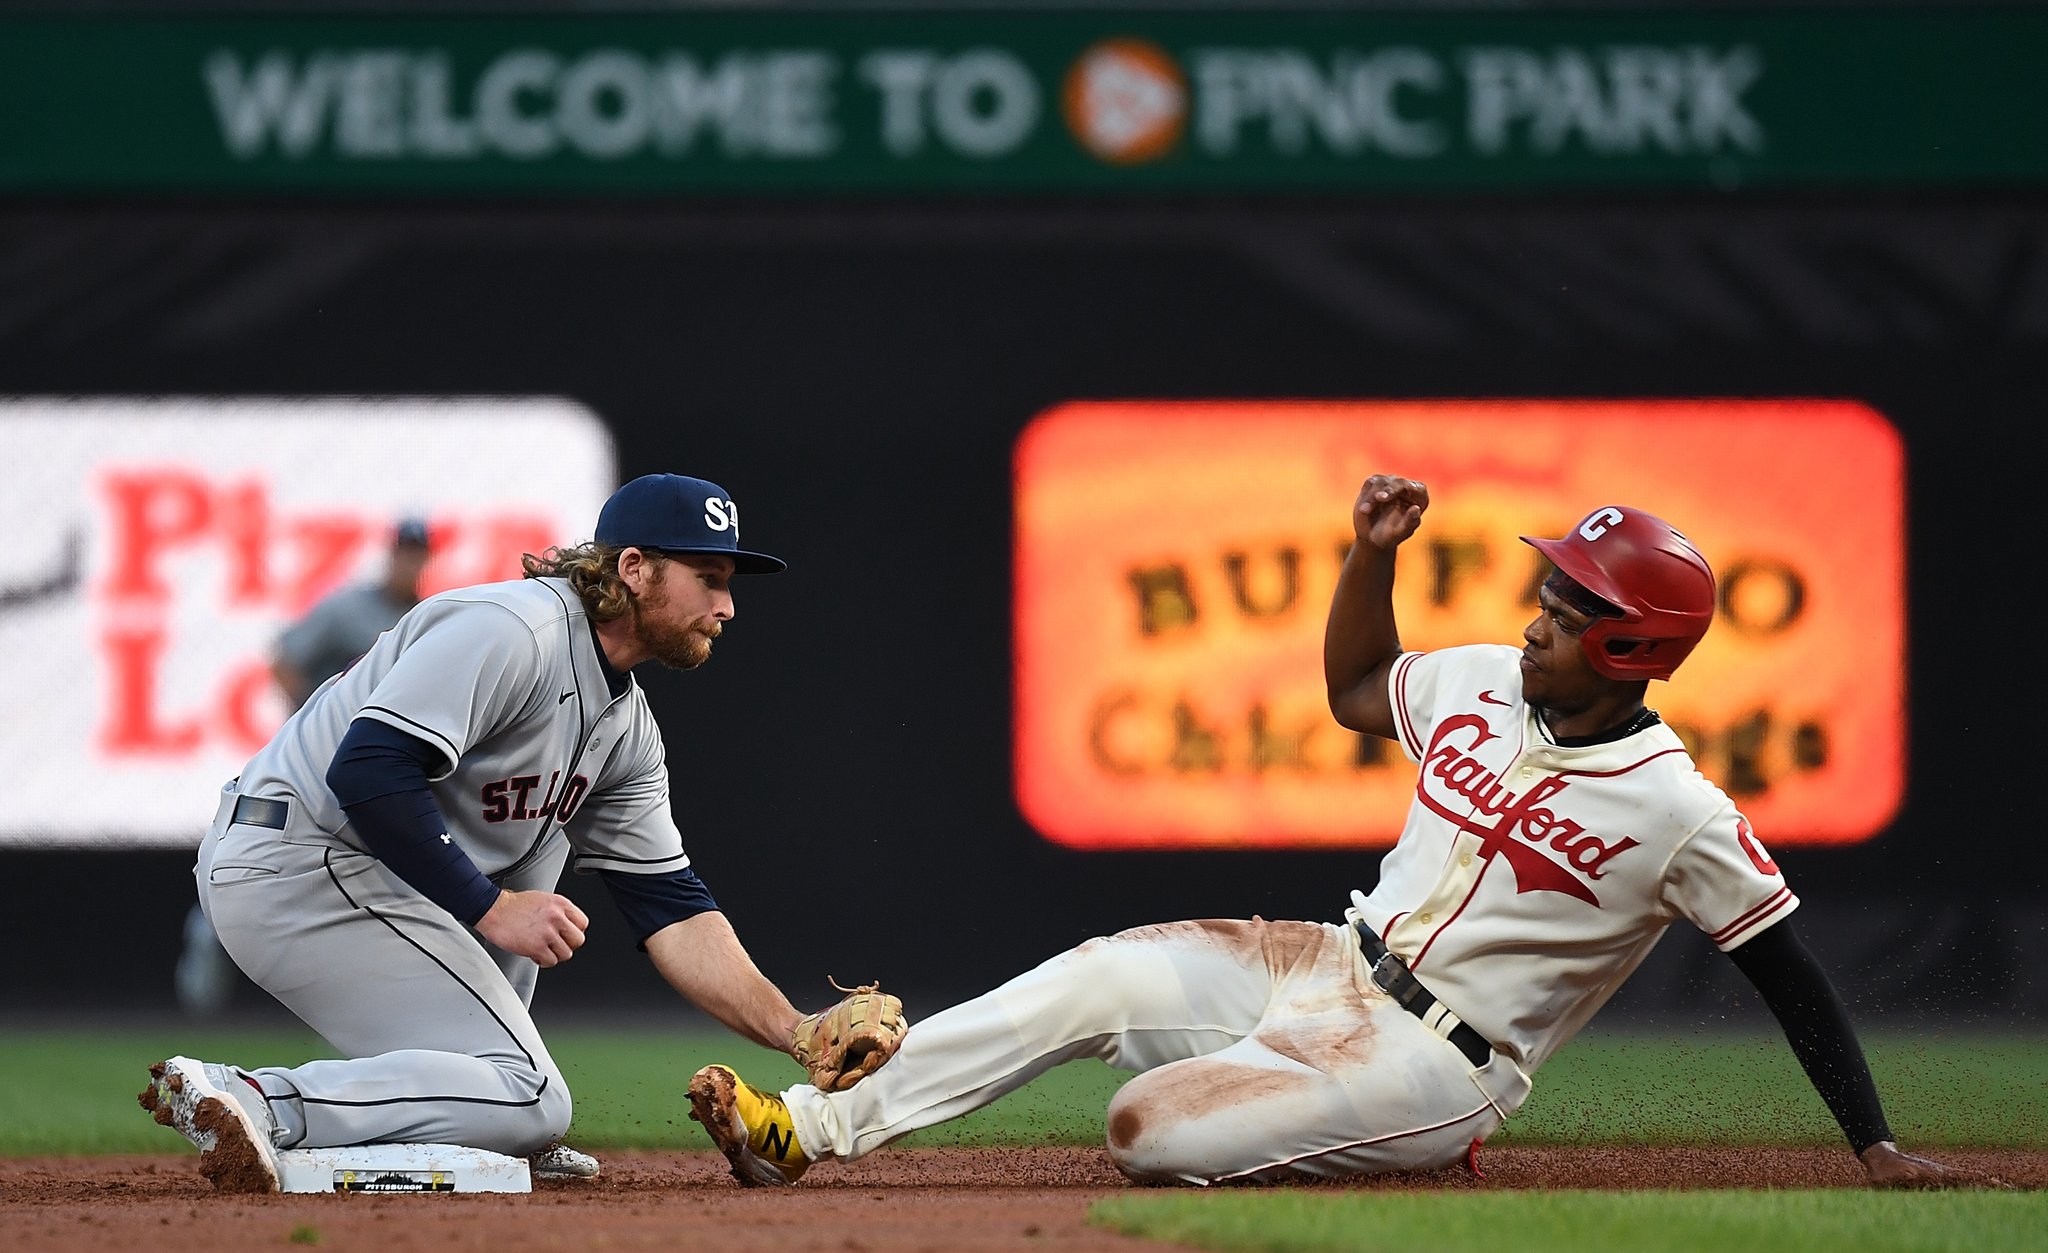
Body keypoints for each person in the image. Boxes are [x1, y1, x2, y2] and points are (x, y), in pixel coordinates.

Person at [687, 475, 1962, 1190]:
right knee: (1096, 974)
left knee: (1145, 1128)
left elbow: (1784, 968)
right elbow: (1357, 692)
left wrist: (1877, 1143)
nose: (1534, 619)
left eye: (1568, 609)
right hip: (1324, 961)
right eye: (1546, 594)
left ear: (1633, 647)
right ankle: (805, 1126)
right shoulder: (1477, 680)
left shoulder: (1676, 807)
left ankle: (1409, 1148)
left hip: (1436, 1062)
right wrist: (1367, 558)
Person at [142, 473, 821, 1193]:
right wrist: (491, 908)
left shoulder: (628, 729)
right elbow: (369, 769)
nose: (727, 604)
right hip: (296, 857)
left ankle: (484, 1119)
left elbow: (672, 907)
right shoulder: (516, 630)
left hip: (367, 873)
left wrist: (795, 1031)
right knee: (534, 1094)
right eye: (708, 577)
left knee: (535, 846)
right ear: (633, 568)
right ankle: (257, 1097)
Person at [172, 518, 436, 1021]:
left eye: (418, 553)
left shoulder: (425, 615)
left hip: (380, 767)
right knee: (273, 855)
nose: (410, 561)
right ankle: (208, 931)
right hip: (318, 766)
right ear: (391, 554)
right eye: (404, 551)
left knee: (378, 870)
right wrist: (309, 719)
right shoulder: (347, 608)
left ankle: (369, 999)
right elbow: (283, 658)